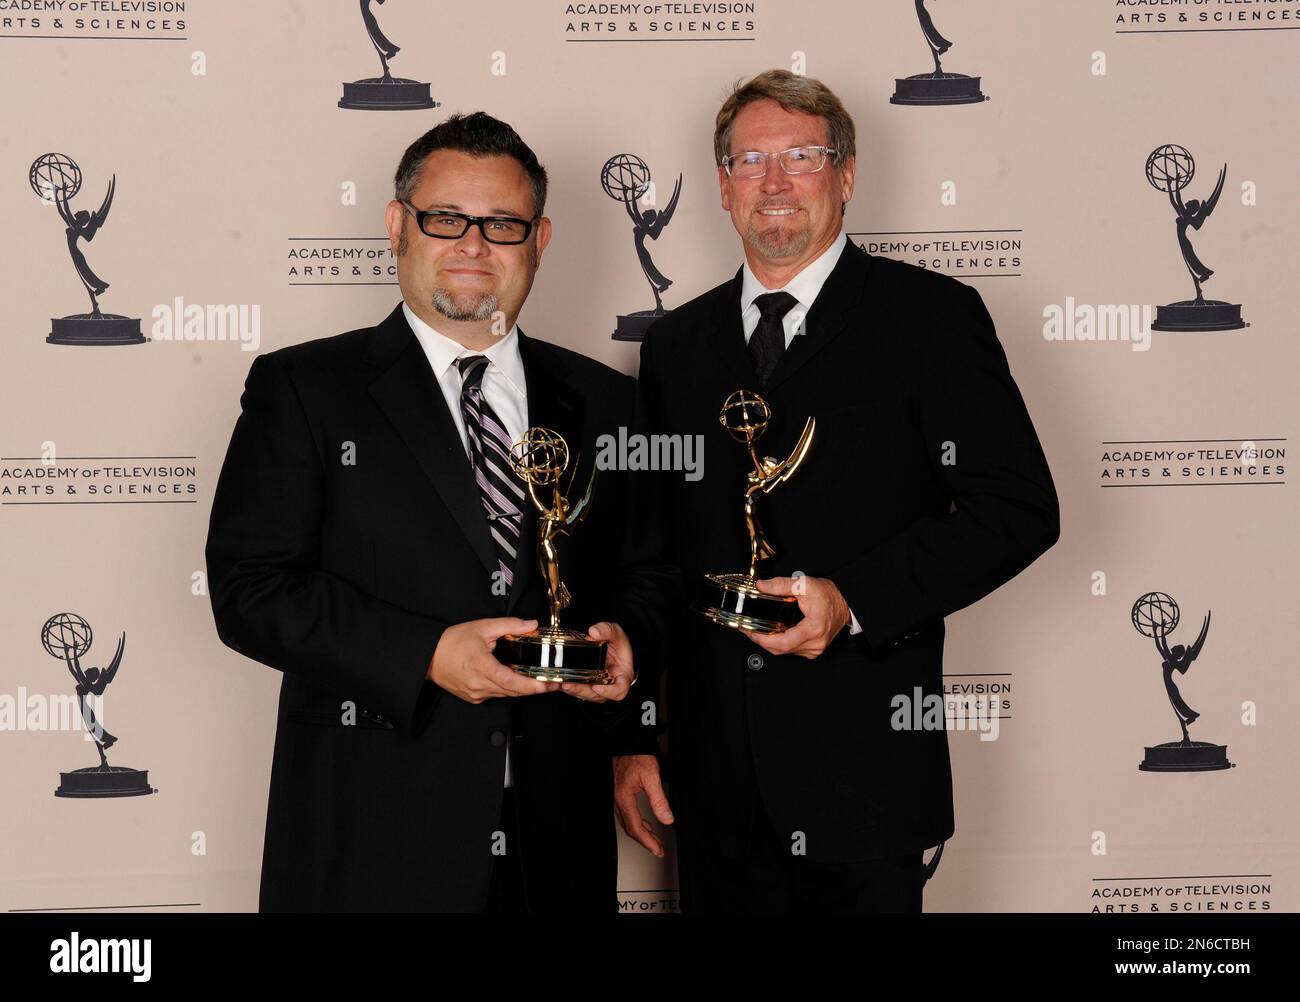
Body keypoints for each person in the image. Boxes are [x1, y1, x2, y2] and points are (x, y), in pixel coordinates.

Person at [612, 70, 1060, 912]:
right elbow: (651, 556)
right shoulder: (675, 345)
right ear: (722, 187)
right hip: (710, 789)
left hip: (868, 778)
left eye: (803, 158)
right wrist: (636, 736)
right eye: (751, 161)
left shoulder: (931, 317)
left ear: (846, 177)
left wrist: (853, 599)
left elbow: (1020, 510)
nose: (775, 183)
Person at [205, 111, 671, 912]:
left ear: (540, 239)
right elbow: (250, 591)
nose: (473, 245)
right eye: (446, 219)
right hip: (370, 835)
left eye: (503, 224)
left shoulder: (608, 402)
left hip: (553, 838)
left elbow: (651, 575)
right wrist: (426, 653)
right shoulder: (307, 391)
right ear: (398, 226)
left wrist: (629, 645)